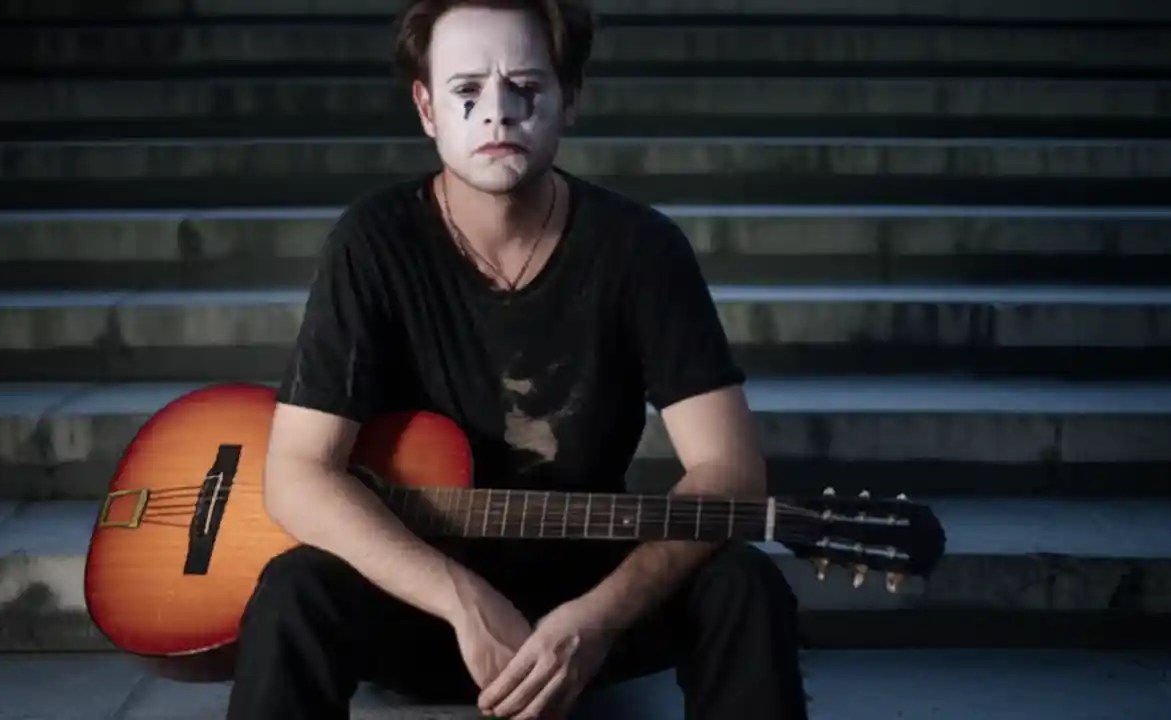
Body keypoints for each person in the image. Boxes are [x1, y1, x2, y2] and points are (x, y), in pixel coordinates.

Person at [225, 1, 808, 718]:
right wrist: (460, 597)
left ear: (570, 99)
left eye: (525, 88)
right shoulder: (374, 242)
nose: (496, 115)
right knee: (294, 589)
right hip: (421, 603)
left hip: (588, 599)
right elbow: (297, 473)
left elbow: (731, 470)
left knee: (746, 584)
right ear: (427, 108)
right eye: (466, 91)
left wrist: (596, 618)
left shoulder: (642, 249)